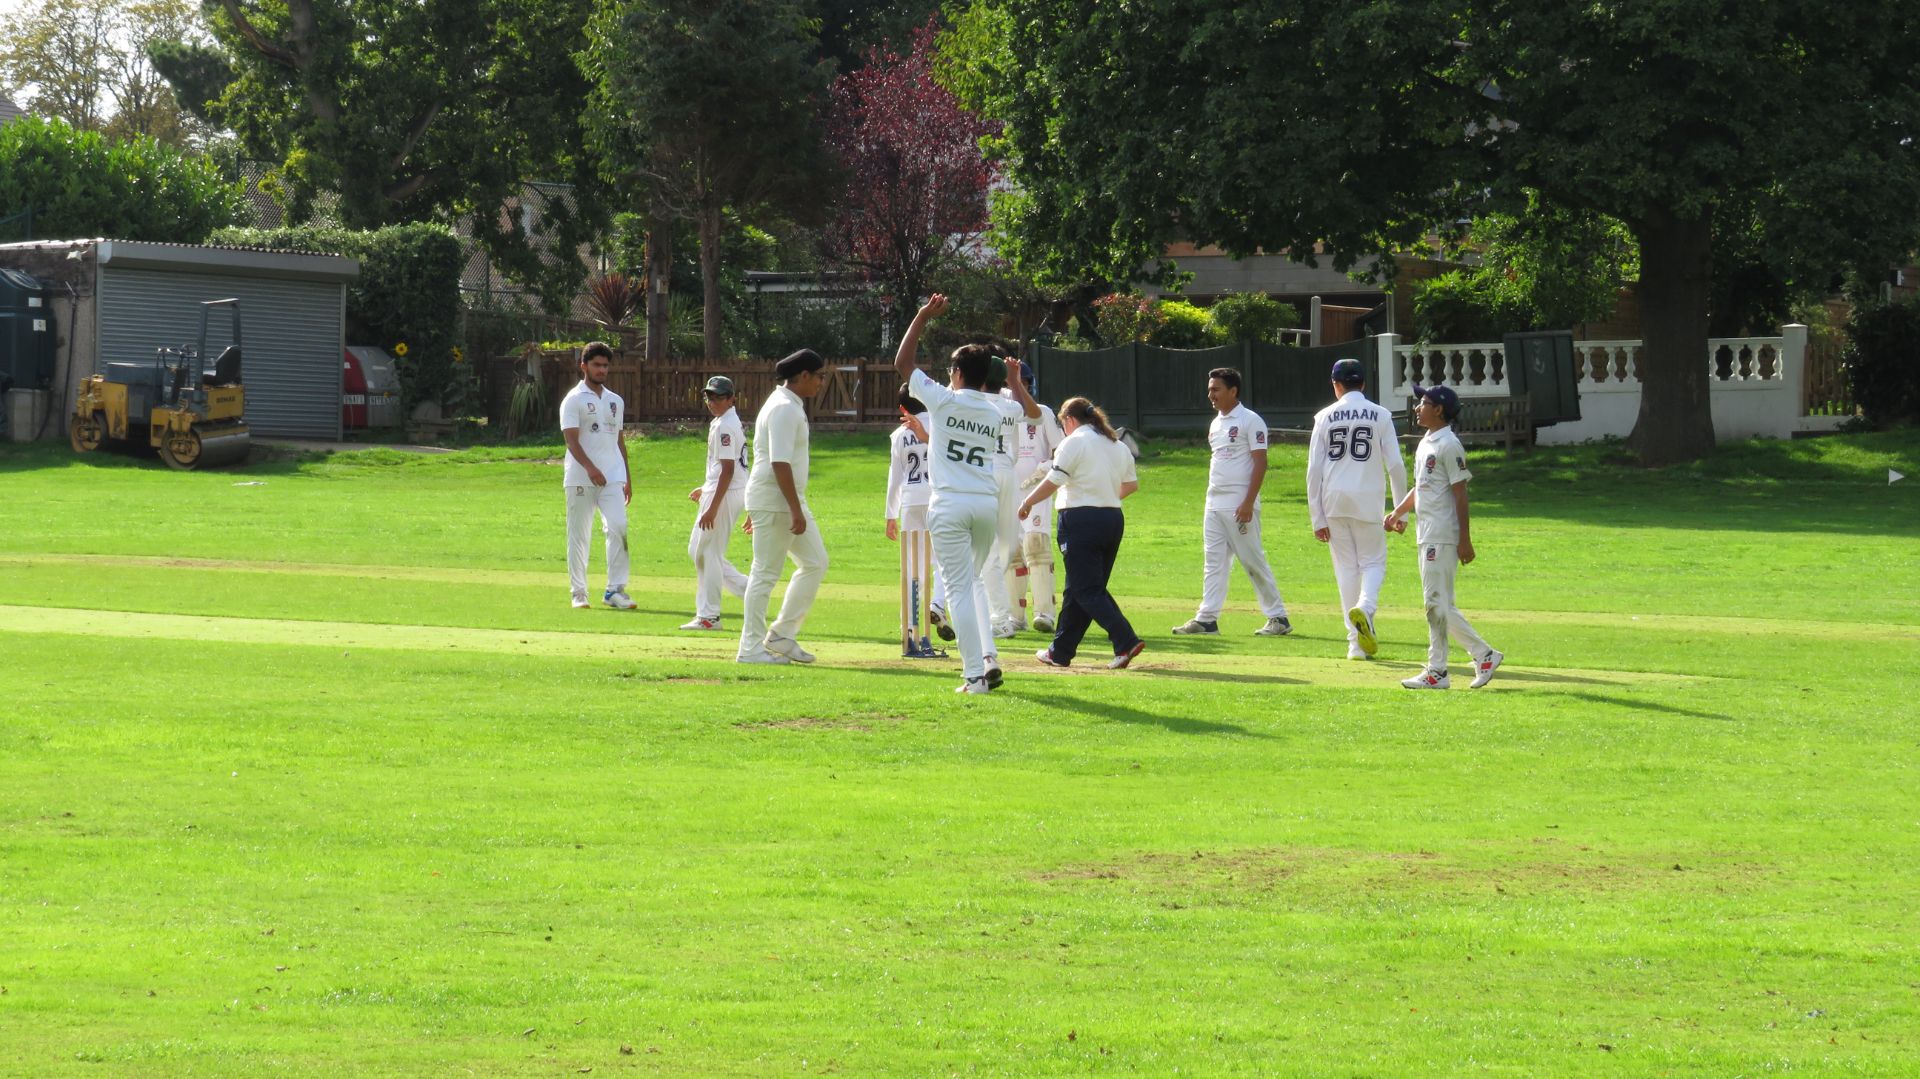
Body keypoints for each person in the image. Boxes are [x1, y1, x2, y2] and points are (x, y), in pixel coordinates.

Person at [896, 294, 1040, 694]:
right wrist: (1014, 382)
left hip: (950, 503)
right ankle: (987, 659)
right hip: (984, 505)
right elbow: (1029, 412)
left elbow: (903, 364)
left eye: (950, 370)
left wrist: (922, 315)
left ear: (957, 373)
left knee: (958, 589)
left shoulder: (943, 400)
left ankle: (974, 675)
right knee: (972, 583)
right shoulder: (998, 409)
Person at [1385, 384, 1503, 689]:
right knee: (1440, 605)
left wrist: (1465, 539)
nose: (1417, 407)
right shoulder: (1427, 442)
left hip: (1442, 533)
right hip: (1427, 533)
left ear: (1438, 410)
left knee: (1435, 603)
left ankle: (1438, 671)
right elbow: (1421, 487)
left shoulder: (1449, 445)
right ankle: (1483, 655)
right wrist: (1397, 513)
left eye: (1423, 403)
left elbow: (1460, 494)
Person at [1021, 396, 1146, 670]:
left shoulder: (1074, 442)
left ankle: (1125, 640)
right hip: (1112, 518)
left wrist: (1028, 501)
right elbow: (1131, 485)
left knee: (1087, 589)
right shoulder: (1117, 444)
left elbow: (1055, 479)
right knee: (1078, 588)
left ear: (1069, 420)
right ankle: (1060, 652)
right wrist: (1103, 497)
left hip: (1079, 519)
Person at [1172, 367, 1292, 637]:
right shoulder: (1216, 424)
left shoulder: (1251, 420)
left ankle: (1278, 617)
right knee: (1213, 563)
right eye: (1209, 389)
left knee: (1251, 559)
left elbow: (1261, 463)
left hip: (1239, 504)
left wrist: (1248, 502)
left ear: (1233, 391)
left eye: (1216, 389)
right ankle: (1207, 620)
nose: (1210, 395)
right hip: (1214, 503)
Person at [1307, 358, 1409, 659]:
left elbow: (1314, 470)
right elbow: (1395, 465)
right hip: (1367, 498)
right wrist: (1400, 510)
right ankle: (1365, 607)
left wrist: (1316, 516)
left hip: (1333, 499)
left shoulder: (1324, 416)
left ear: (1336, 385)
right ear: (1363, 384)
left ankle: (1355, 644)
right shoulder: (1381, 415)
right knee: (1373, 563)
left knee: (1346, 569)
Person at [736, 349, 830, 665]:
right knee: (764, 573)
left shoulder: (789, 405)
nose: (821, 382)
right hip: (777, 502)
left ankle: (781, 635)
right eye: (819, 376)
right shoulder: (783, 408)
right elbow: (779, 462)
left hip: (781, 501)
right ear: (803, 375)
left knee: (816, 562)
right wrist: (794, 509)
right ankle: (750, 649)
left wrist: (792, 506)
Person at [559, 341, 634, 610]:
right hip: (580, 477)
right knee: (579, 535)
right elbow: (571, 440)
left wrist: (627, 477)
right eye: (596, 365)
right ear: (584, 366)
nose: (602, 370)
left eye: (605, 365)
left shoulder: (615, 401)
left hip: (612, 476)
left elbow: (619, 440)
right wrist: (590, 468)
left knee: (618, 527)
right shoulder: (573, 399)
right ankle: (579, 593)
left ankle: (615, 590)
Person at [682, 375, 750, 631]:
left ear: (732, 399)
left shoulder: (725, 425)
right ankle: (748, 589)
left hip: (726, 493)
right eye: (709, 397)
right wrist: (706, 487)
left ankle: (709, 617)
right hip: (723, 489)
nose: (713, 402)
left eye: (719, 397)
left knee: (709, 554)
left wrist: (712, 507)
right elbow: (723, 467)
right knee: (697, 551)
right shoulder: (723, 421)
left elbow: (728, 470)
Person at [1008, 367, 1064, 633]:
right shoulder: (1001, 413)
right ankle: (1015, 616)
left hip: (1036, 491)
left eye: (1024, 383)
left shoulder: (1042, 413)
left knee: (1036, 546)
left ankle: (1044, 613)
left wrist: (1046, 468)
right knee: (1011, 552)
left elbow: (1061, 450)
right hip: (1008, 490)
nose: (1020, 388)